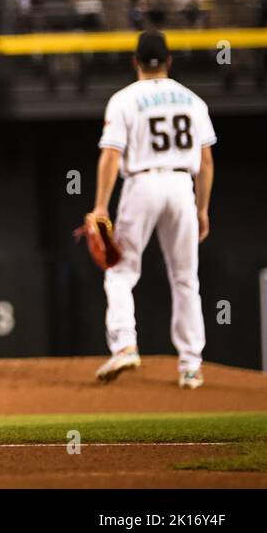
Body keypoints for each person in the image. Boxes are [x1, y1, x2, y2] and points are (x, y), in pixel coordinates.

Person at [87, 31, 215, 390]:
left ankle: (125, 344)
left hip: (142, 183)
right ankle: (191, 366)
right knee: (186, 279)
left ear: (135, 62)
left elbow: (111, 154)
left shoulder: (124, 100)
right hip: (180, 186)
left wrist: (100, 206)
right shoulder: (193, 100)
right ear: (170, 61)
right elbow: (205, 161)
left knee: (120, 273)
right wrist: (202, 208)